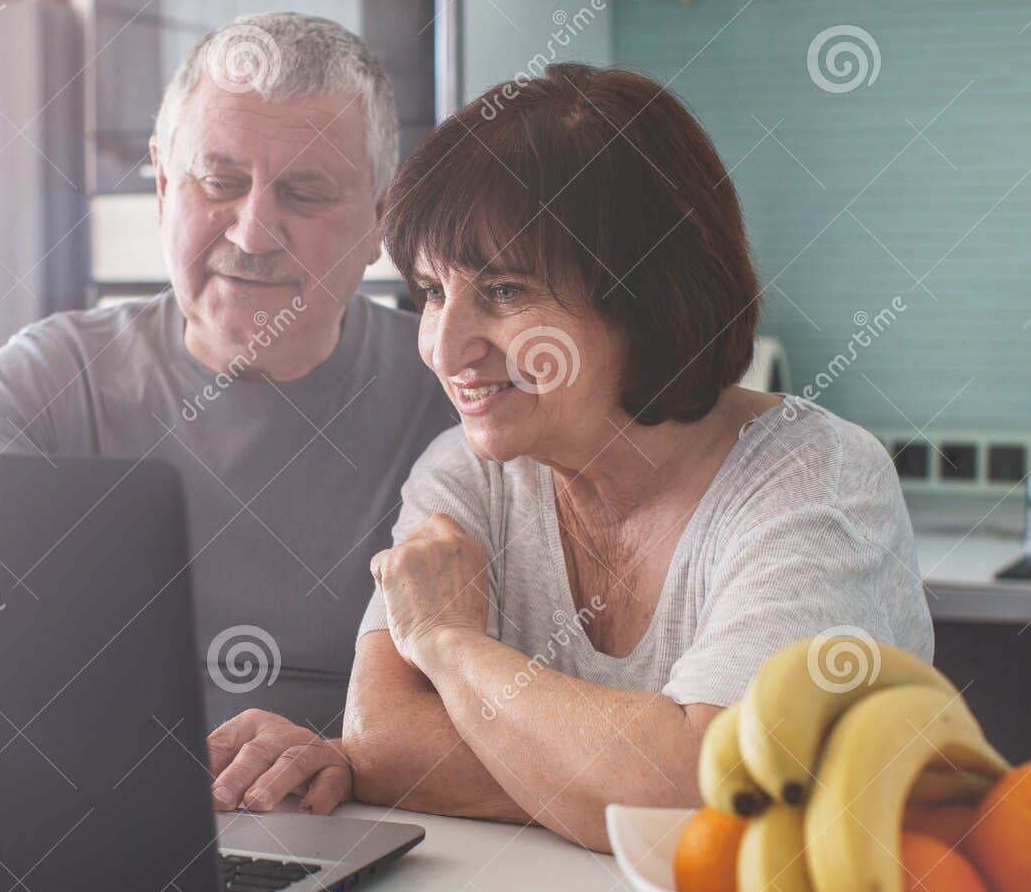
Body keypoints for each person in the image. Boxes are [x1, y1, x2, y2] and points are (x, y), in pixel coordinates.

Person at [210, 63, 933, 849]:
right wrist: (611, 775)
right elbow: (384, 738)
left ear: (649, 291)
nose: (447, 348)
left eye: (507, 292)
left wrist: (453, 647)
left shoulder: (817, 481)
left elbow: (706, 787)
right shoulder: (466, 474)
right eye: (432, 292)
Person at [0, 14, 455, 786]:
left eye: (306, 193)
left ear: (381, 218)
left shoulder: (453, 399)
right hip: (80, 816)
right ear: (161, 185)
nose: (251, 234)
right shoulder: (43, 388)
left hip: (360, 827)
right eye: (219, 183)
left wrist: (352, 761)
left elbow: (507, 698)